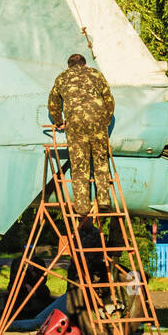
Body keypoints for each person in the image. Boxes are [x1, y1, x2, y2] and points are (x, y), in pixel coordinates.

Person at [47, 53, 115, 215]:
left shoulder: (62, 77)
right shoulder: (95, 74)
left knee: (79, 163)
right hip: (97, 121)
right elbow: (109, 100)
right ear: (84, 64)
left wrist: (58, 122)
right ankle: (104, 199)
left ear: (69, 66)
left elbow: (53, 103)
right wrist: (105, 120)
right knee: (100, 159)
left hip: (75, 122)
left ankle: (82, 206)